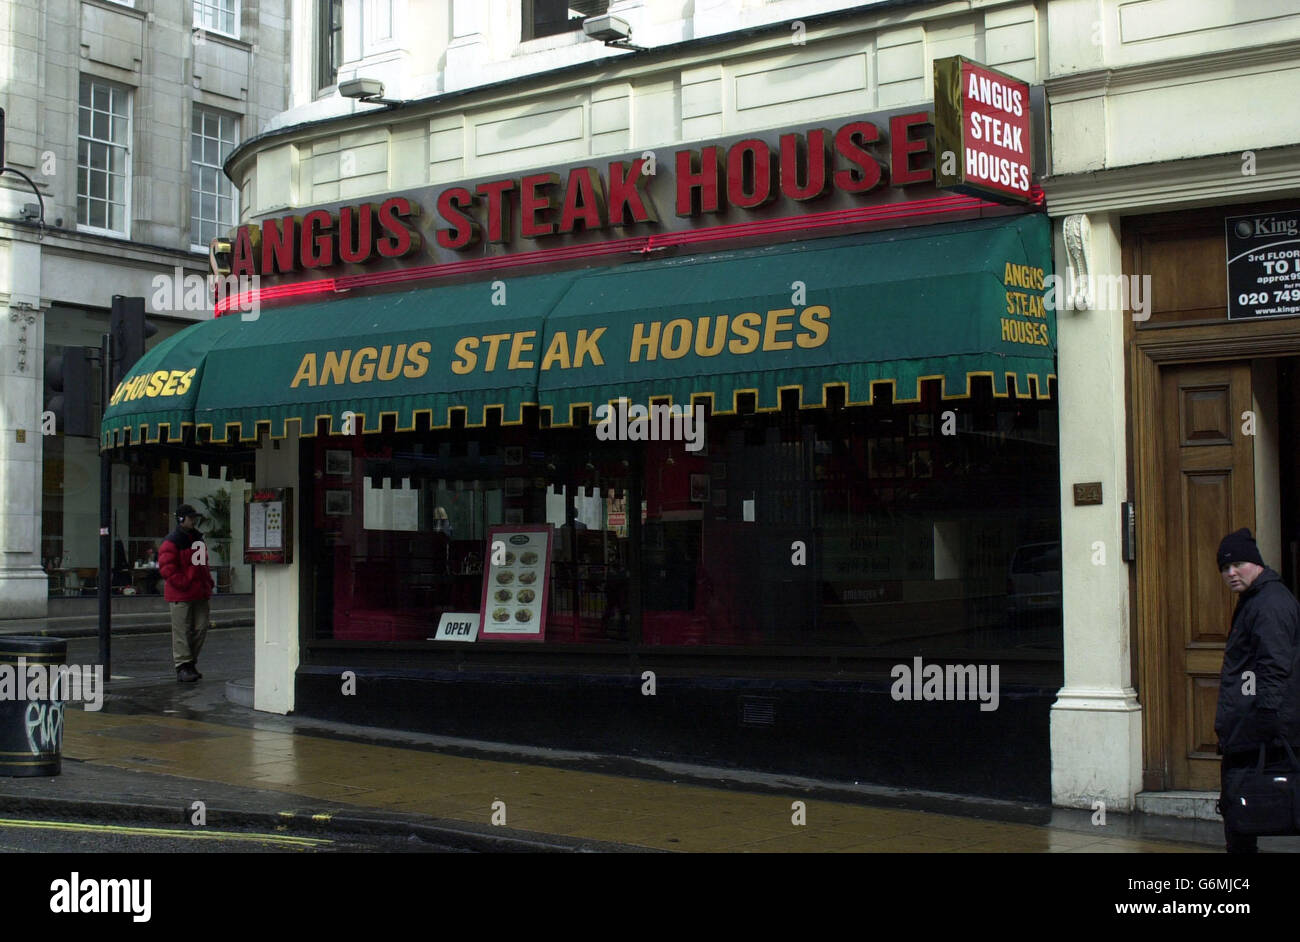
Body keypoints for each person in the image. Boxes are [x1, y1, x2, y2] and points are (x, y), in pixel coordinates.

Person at [1214, 527, 1300, 853]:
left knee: (1243, 808)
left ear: (1256, 563)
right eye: (1224, 567)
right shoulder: (1255, 600)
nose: (1231, 573)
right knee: (1241, 810)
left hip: (1258, 727)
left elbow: (1273, 666)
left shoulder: (1269, 604)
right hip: (1249, 723)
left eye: (1238, 565)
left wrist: (1265, 716)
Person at [158, 503, 213, 683]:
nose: (193, 521)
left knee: (200, 627)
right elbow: (167, 569)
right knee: (182, 630)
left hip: (197, 591)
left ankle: (189, 663)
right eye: (191, 518)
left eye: (194, 518)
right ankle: (183, 665)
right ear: (181, 519)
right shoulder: (172, 541)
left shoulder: (197, 539)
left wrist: (206, 582)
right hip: (181, 593)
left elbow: (202, 563)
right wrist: (185, 582)